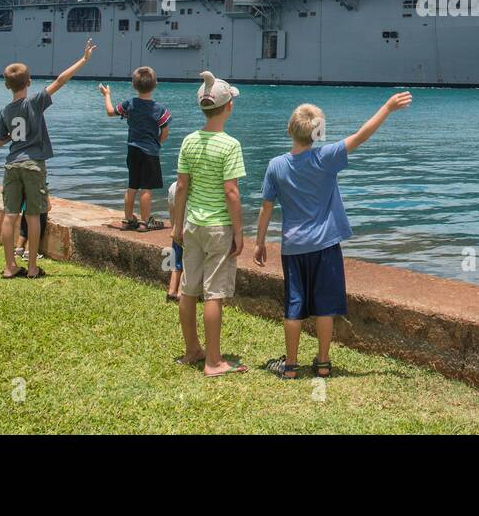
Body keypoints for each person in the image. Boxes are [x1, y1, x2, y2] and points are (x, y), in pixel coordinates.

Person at [255, 91, 413, 379]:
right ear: (318, 134)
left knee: (294, 305)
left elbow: (266, 208)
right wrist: (387, 107)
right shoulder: (326, 157)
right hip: (325, 245)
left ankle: (289, 366)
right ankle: (323, 363)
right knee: (325, 305)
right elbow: (361, 135)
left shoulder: (276, 165)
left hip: (293, 247)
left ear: (290, 129)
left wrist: (260, 242)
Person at [0, 39, 96, 279]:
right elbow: (60, 80)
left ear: (7, 85)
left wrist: (12, 135)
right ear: (29, 82)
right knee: (33, 215)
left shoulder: (5, 111)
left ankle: (9, 266)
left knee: (10, 215)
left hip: (12, 163)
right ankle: (31, 268)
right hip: (33, 164)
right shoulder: (35, 101)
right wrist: (84, 59)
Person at [173, 71, 247, 377]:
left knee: (188, 289)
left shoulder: (189, 141)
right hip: (218, 227)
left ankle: (192, 349)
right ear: (228, 107)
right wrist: (239, 230)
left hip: (192, 224)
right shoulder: (230, 145)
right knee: (214, 293)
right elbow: (231, 191)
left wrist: (176, 225)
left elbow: (181, 186)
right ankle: (214, 361)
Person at [98, 67, 171, 231]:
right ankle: (145, 222)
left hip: (133, 149)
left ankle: (128, 219)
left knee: (132, 186)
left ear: (133, 85)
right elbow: (165, 132)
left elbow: (110, 112)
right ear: (155, 84)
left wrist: (107, 95)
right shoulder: (160, 110)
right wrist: (157, 143)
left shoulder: (130, 104)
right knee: (146, 188)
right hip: (150, 152)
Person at [165, 180, 182, 302]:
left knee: (176, 264)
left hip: (176, 230)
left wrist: (174, 229)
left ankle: (171, 292)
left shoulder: (173, 187)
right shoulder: (192, 188)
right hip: (188, 232)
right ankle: (182, 293)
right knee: (188, 265)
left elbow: (171, 211)